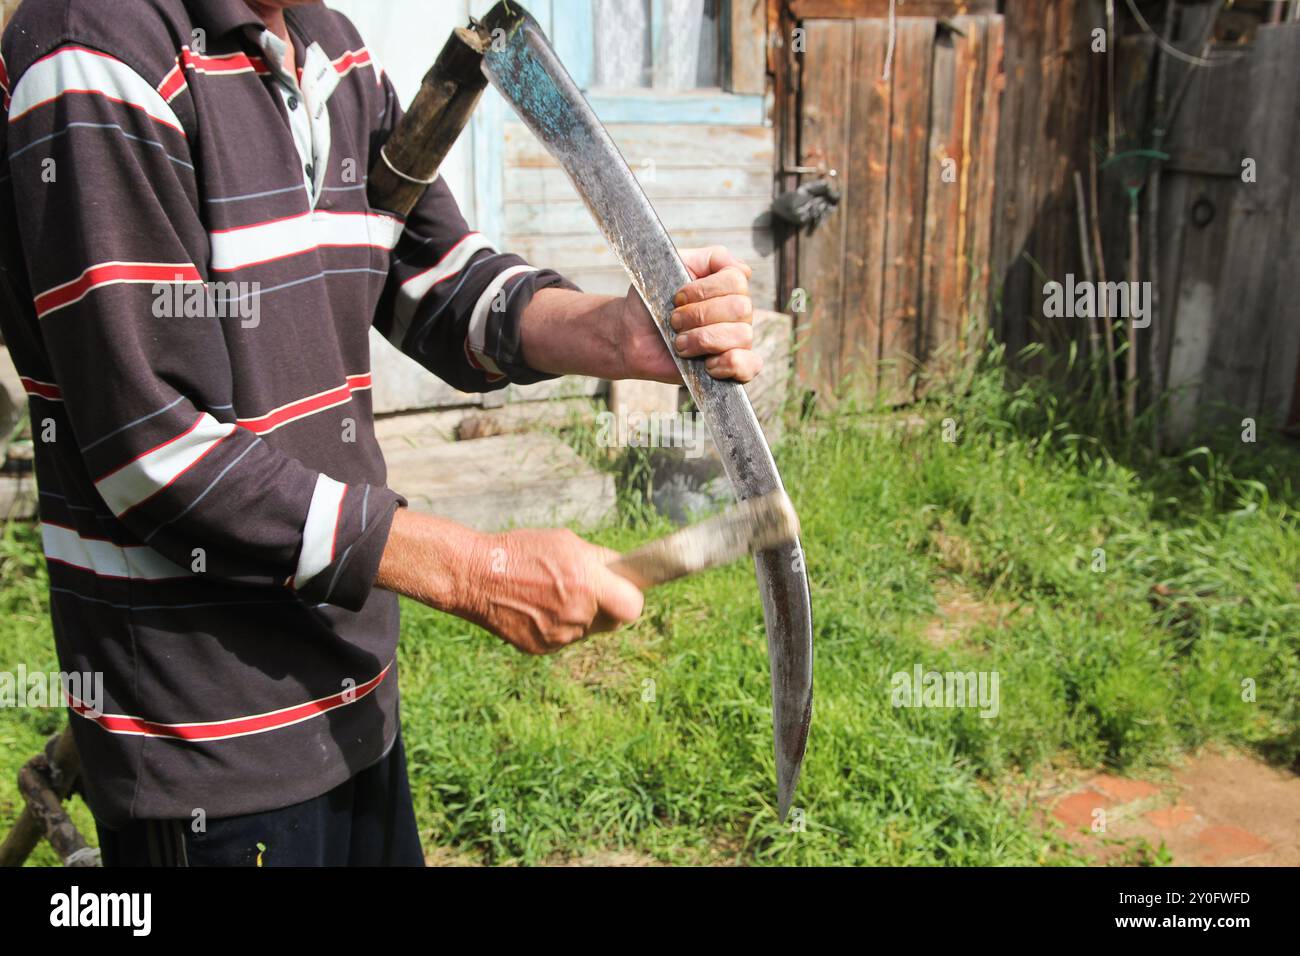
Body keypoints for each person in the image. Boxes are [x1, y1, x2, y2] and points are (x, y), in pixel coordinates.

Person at [0, 0, 761, 866]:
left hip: (352, 683)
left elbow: (433, 279)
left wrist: (614, 332)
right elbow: (156, 452)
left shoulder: (330, 46)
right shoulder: (96, 48)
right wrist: (479, 570)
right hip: (209, 734)